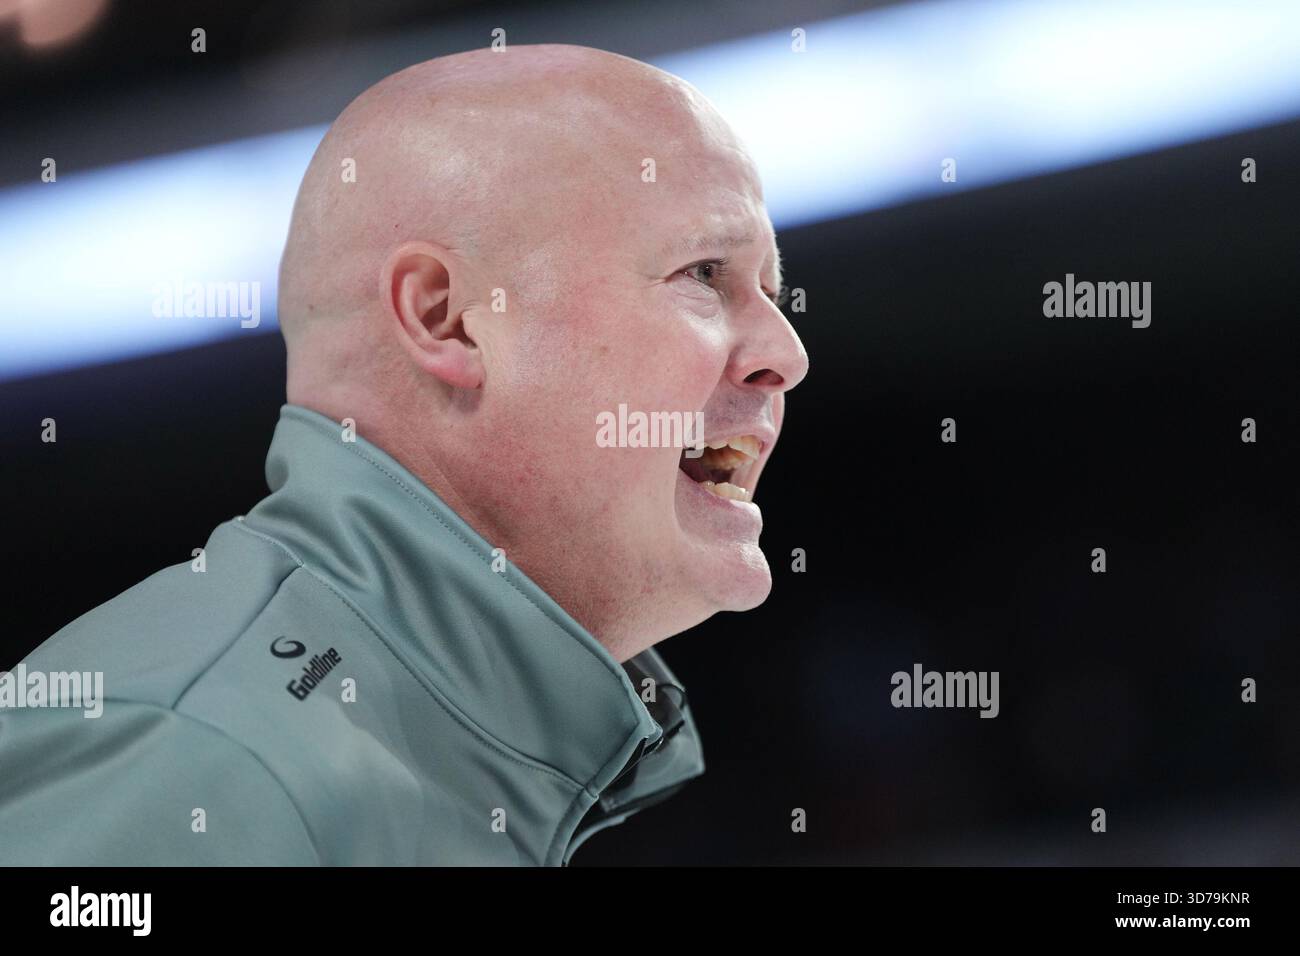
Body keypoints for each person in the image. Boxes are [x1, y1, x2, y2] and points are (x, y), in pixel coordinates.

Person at [0, 43, 807, 865]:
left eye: (770, 292)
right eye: (703, 273)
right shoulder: (199, 762)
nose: (788, 353)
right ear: (447, 318)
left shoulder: (408, 751)